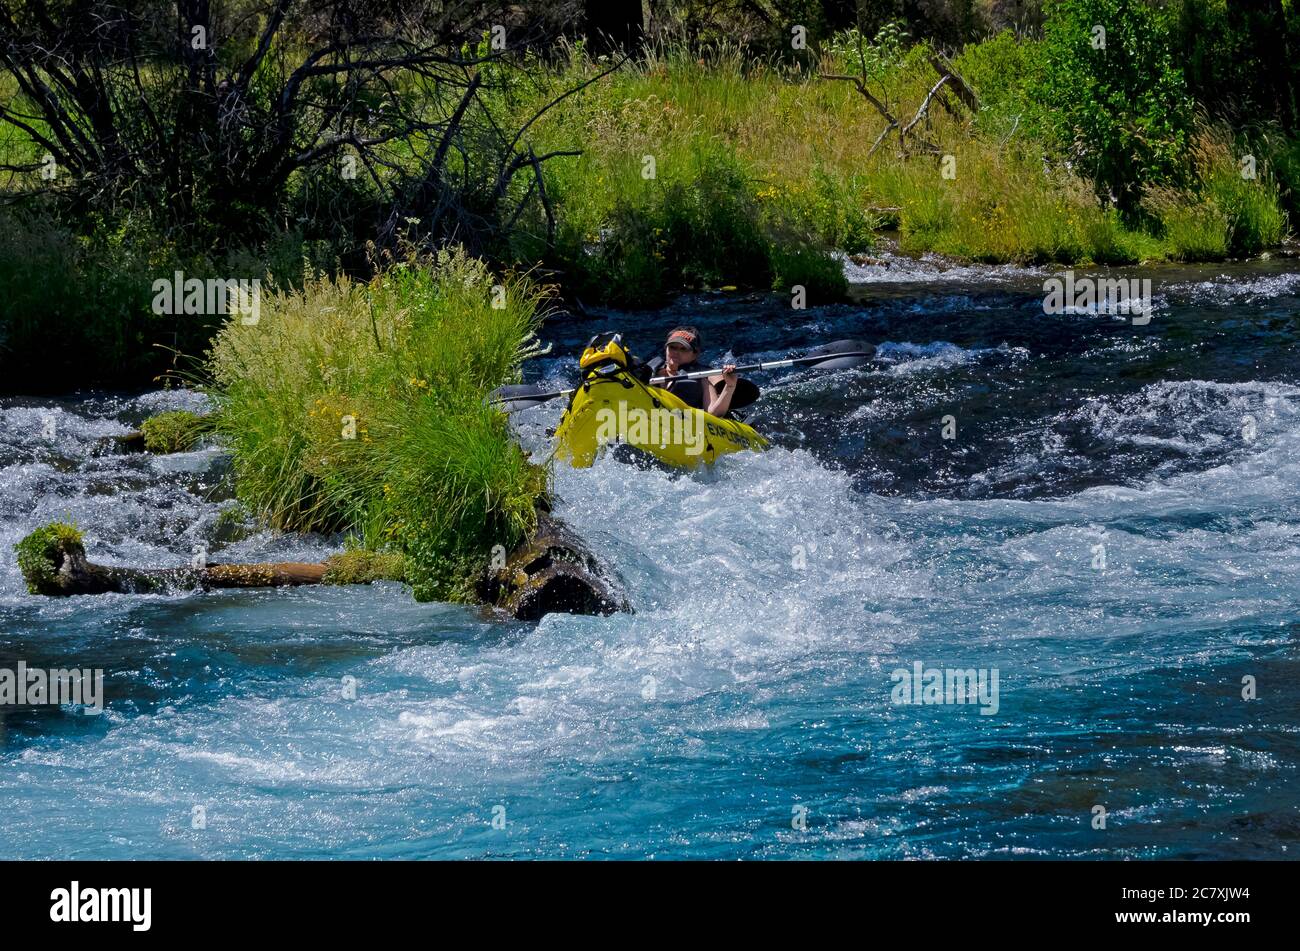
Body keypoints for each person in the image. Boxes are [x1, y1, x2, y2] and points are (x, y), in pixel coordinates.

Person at [643, 327, 739, 418]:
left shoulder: (701, 378)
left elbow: (714, 413)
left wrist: (730, 386)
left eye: (683, 349)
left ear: (695, 355)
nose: (676, 352)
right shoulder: (648, 371)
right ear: (666, 349)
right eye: (672, 347)